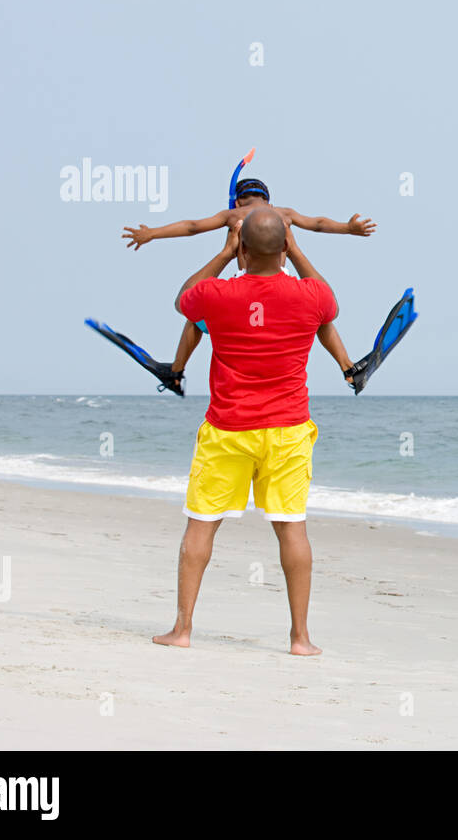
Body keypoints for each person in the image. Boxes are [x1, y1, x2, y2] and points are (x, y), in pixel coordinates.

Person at [152, 208, 340, 655]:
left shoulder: (216, 294)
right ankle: (300, 639)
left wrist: (222, 254)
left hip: (228, 429)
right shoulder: (312, 296)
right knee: (292, 529)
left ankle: (182, 630)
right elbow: (329, 296)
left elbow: (183, 298)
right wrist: (295, 252)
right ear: (284, 249)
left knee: (201, 526)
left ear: (241, 249)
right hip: (288, 431)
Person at [121, 177, 373, 392]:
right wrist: (348, 228)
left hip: (245, 287)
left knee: (195, 317)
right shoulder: (283, 213)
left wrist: (152, 233)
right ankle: (348, 368)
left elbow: (192, 227)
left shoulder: (233, 214)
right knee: (320, 316)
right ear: (269, 202)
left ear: (238, 201)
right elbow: (317, 224)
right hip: (282, 285)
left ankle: (175, 372)